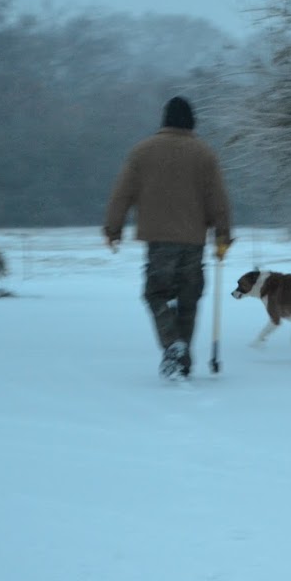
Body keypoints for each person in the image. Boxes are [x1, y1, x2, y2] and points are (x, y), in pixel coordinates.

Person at [103, 96, 233, 379]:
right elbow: (218, 200)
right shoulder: (204, 154)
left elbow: (122, 194)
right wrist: (223, 235)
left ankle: (171, 344)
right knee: (189, 299)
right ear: (192, 121)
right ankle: (181, 359)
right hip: (193, 241)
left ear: (164, 120)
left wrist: (113, 228)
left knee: (156, 294)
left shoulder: (142, 152)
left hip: (159, 241)